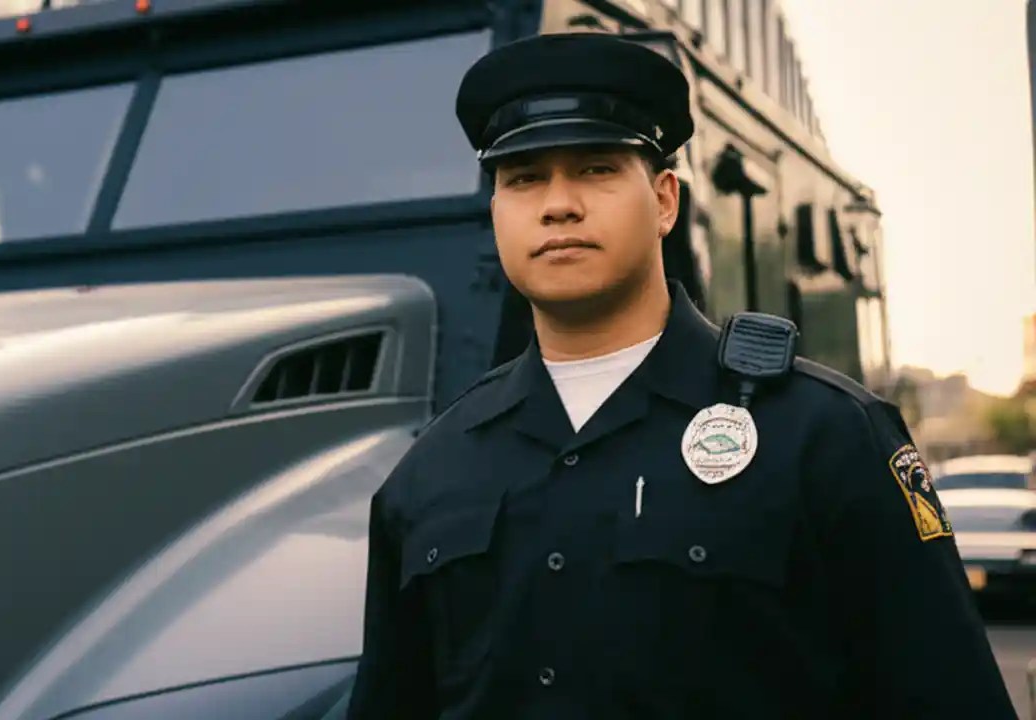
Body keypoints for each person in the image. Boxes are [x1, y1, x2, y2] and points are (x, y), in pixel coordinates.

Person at [345, 31, 1015, 720]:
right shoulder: (431, 472)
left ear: (665, 200)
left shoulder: (825, 435)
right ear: (497, 214)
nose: (558, 204)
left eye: (597, 169)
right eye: (523, 179)